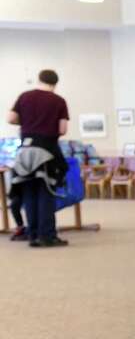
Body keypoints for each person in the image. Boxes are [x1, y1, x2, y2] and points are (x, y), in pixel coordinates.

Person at [7, 69, 70, 248]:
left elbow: (10, 118)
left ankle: (33, 235)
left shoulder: (24, 96)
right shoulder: (58, 101)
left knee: (29, 193)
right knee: (46, 193)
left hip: (25, 150)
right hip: (46, 151)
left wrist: (28, 122)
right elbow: (62, 129)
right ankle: (47, 236)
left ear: (39, 80)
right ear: (55, 84)